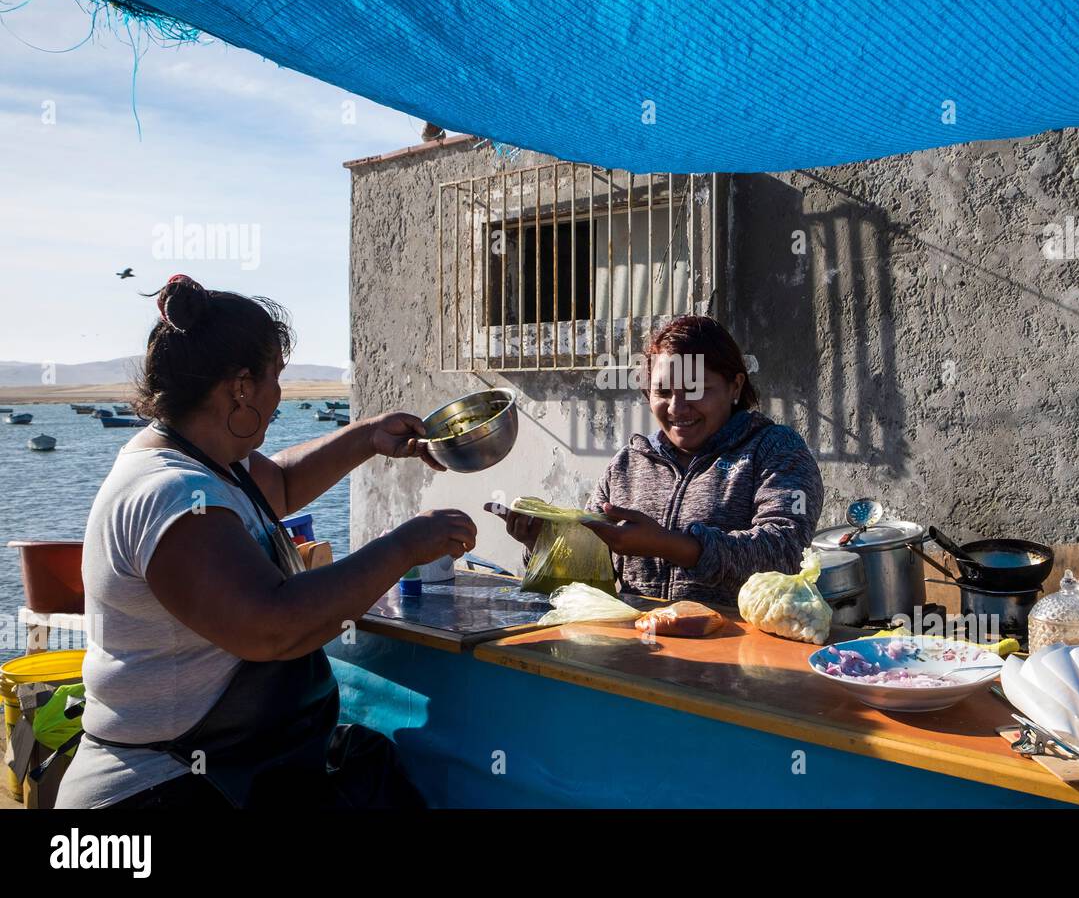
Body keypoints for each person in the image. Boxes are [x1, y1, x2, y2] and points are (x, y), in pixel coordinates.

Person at [56, 275, 476, 809]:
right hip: (161, 788)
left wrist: (367, 436)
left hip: (229, 771)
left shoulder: (206, 463)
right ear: (239, 386)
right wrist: (402, 547)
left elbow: (275, 484)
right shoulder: (172, 493)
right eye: (275, 377)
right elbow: (271, 629)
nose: (278, 396)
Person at [496, 315, 823, 604]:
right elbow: (592, 579)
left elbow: (785, 551)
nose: (678, 408)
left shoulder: (775, 450)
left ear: (734, 386)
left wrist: (673, 546)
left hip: (739, 657)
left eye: (695, 390)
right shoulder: (627, 465)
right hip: (640, 655)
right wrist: (545, 546)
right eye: (663, 392)